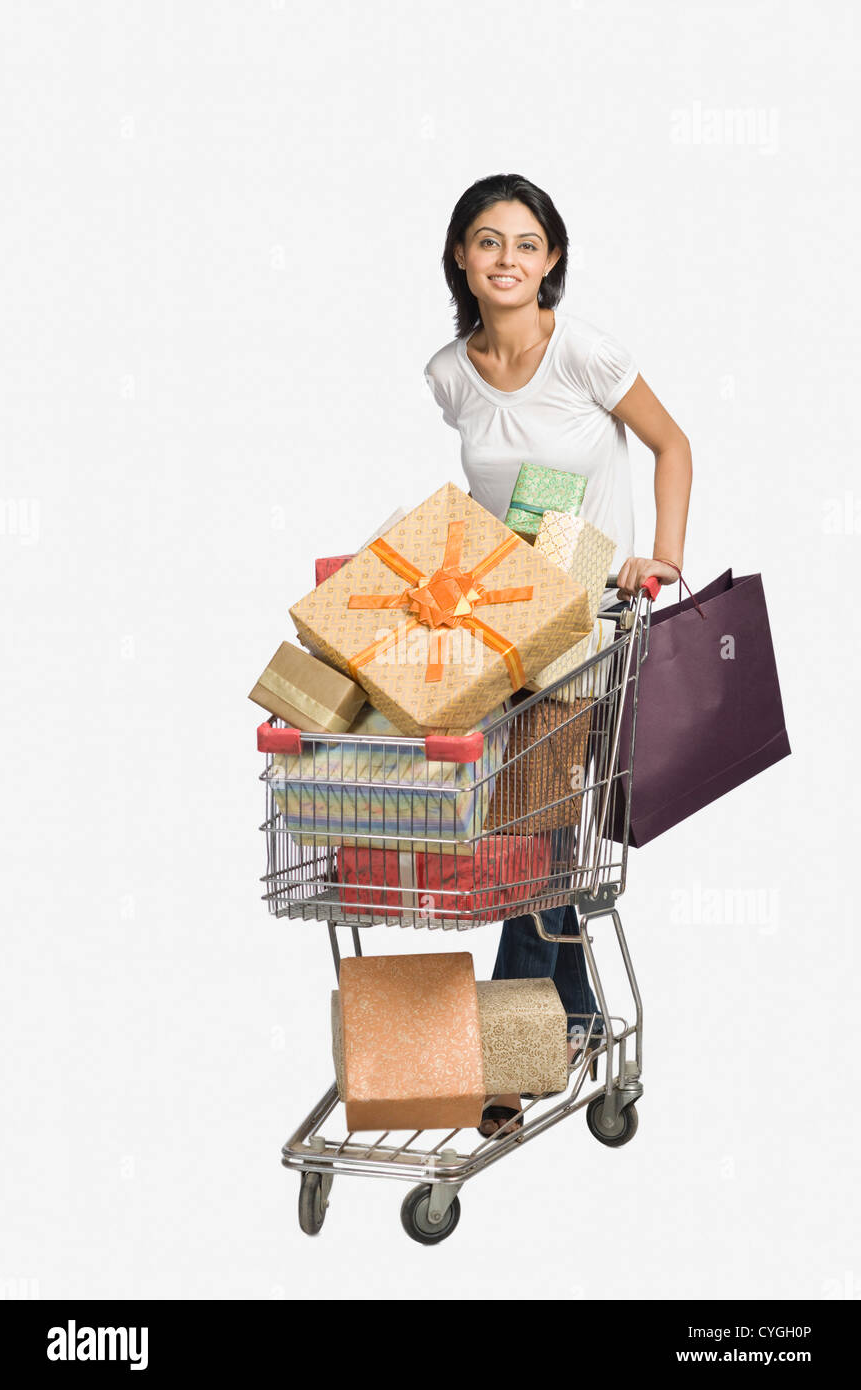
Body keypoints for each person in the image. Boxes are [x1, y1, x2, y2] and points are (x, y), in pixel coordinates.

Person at [423, 173, 692, 1139]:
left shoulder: (583, 353)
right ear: (460, 256)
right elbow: (491, 512)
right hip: (501, 635)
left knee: (526, 833)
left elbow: (672, 444)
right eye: (488, 241)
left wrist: (663, 555)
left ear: (554, 261)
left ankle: (502, 1062)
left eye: (527, 244)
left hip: (589, 632)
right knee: (546, 839)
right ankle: (573, 1016)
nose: (507, 259)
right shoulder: (449, 373)